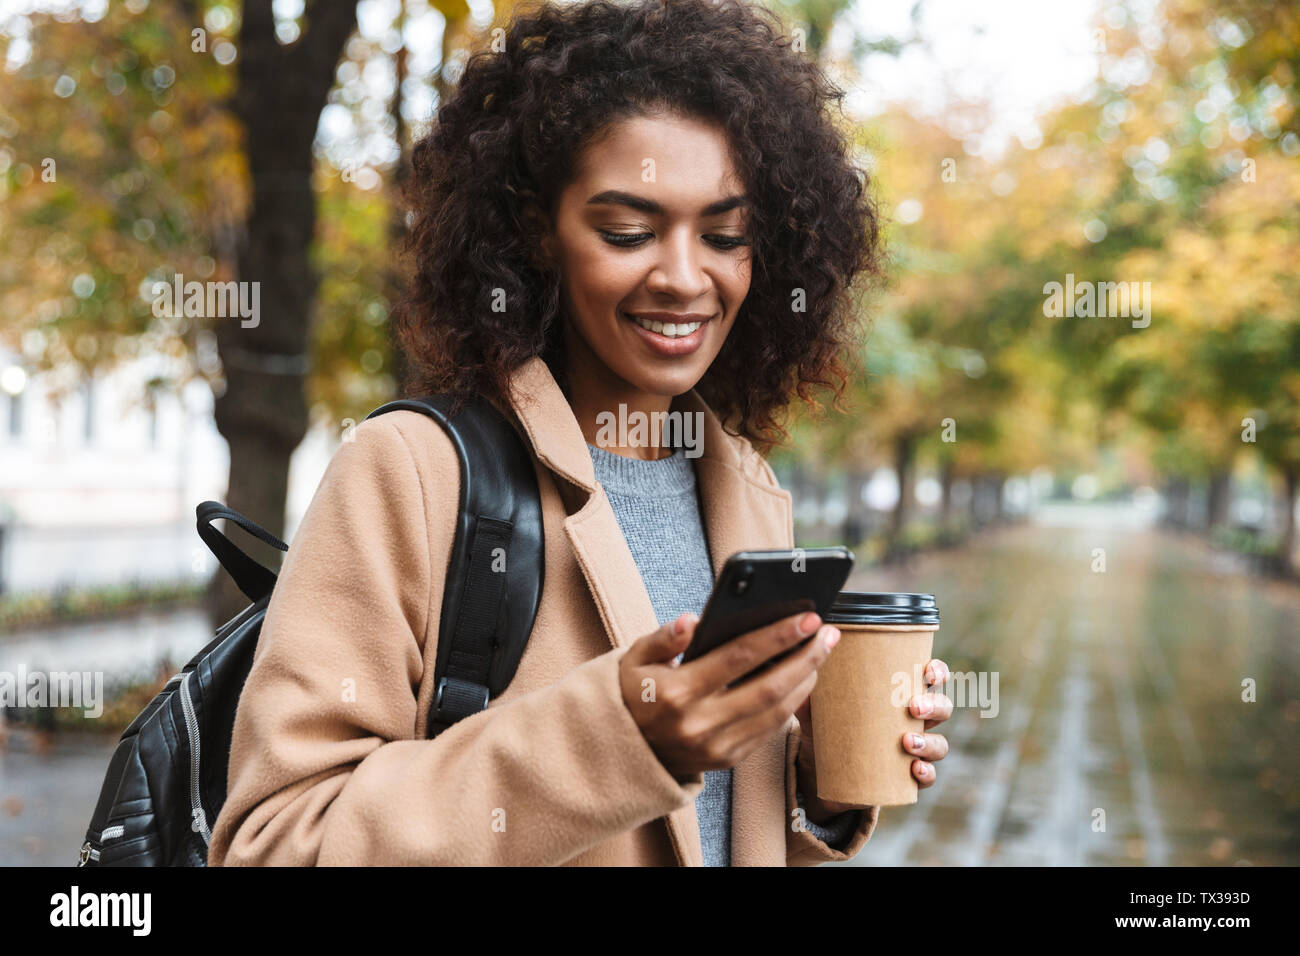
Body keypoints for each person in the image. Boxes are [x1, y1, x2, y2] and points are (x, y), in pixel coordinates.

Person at [209, 0, 952, 867]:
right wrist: (623, 737)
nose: (684, 278)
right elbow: (277, 845)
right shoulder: (411, 473)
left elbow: (708, 836)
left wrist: (819, 785)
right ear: (538, 230)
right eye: (628, 230)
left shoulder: (746, 490)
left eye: (725, 235)